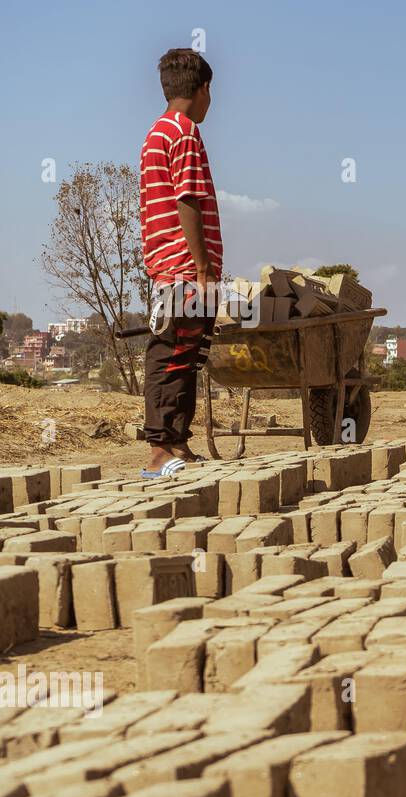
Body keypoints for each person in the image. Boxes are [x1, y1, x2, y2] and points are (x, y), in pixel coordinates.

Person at [138, 48, 223, 478]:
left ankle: (177, 445)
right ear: (203, 88)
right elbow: (187, 198)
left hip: (166, 267)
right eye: (213, 92)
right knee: (172, 358)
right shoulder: (184, 132)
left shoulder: (156, 133)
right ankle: (160, 452)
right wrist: (204, 269)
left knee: (184, 357)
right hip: (184, 271)